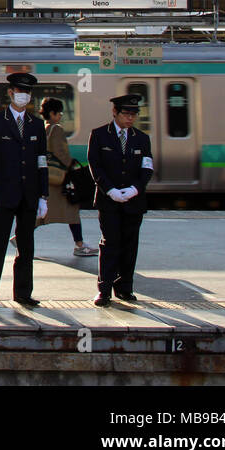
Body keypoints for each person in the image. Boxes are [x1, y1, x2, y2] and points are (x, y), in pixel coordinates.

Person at [0, 72, 49, 308]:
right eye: (19, 91)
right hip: (4, 195)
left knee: (26, 246)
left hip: (29, 195)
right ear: (10, 92)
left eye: (27, 92)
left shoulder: (37, 125)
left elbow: (42, 161)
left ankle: (23, 293)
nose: (23, 95)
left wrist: (43, 196)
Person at [88, 93, 153, 307]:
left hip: (134, 201)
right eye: (126, 113)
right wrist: (110, 190)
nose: (130, 118)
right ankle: (104, 290)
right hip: (109, 200)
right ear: (115, 112)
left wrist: (135, 189)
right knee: (110, 243)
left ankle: (125, 288)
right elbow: (95, 166)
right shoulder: (99, 135)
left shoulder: (142, 138)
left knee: (129, 245)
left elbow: (147, 168)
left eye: (134, 114)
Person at [37, 97, 96, 257]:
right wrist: (73, 165)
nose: (61, 115)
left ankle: (19, 237)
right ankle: (80, 245)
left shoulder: (44, 128)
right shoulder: (57, 129)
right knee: (72, 210)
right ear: (52, 113)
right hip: (60, 179)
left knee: (44, 214)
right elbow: (61, 152)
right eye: (59, 112)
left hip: (50, 179)